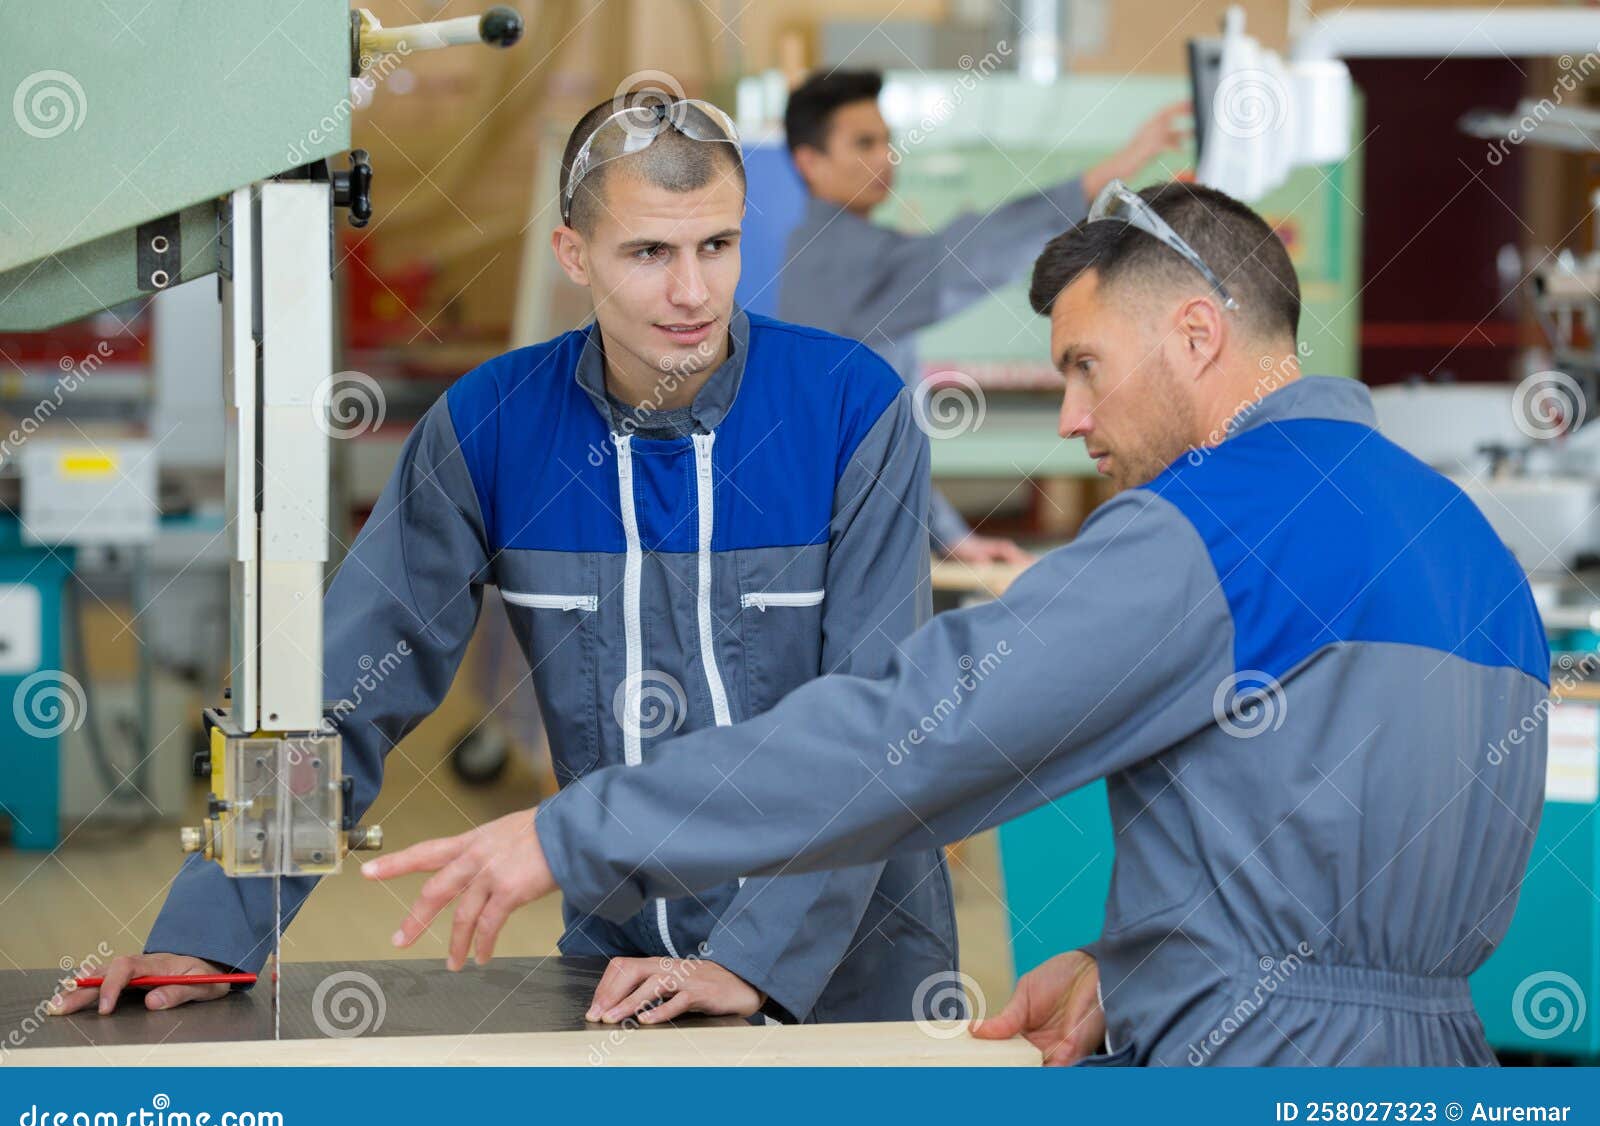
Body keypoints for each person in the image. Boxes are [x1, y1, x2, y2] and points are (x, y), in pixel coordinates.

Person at [360, 181, 1549, 1066]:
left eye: (1085, 366)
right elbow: (1338, 856)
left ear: (1197, 333)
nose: (1073, 417)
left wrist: (578, 831)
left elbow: (918, 731)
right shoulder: (1468, 545)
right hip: (1437, 1070)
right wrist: (1152, 964)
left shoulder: (1211, 527)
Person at [48, 93, 958, 1028]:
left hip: (855, 974)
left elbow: (877, 721)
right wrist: (211, 934)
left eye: (715, 247)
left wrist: (752, 960)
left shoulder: (852, 409)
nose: (693, 293)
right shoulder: (493, 426)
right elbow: (339, 692)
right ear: (574, 254)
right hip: (624, 977)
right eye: (649, 252)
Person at [778, 69, 1186, 566]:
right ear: (809, 161)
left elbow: (885, 437)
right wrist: (1120, 168)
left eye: (888, 141)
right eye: (863, 143)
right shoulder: (837, 261)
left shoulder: (847, 253)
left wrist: (952, 539)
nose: (885, 158)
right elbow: (967, 256)